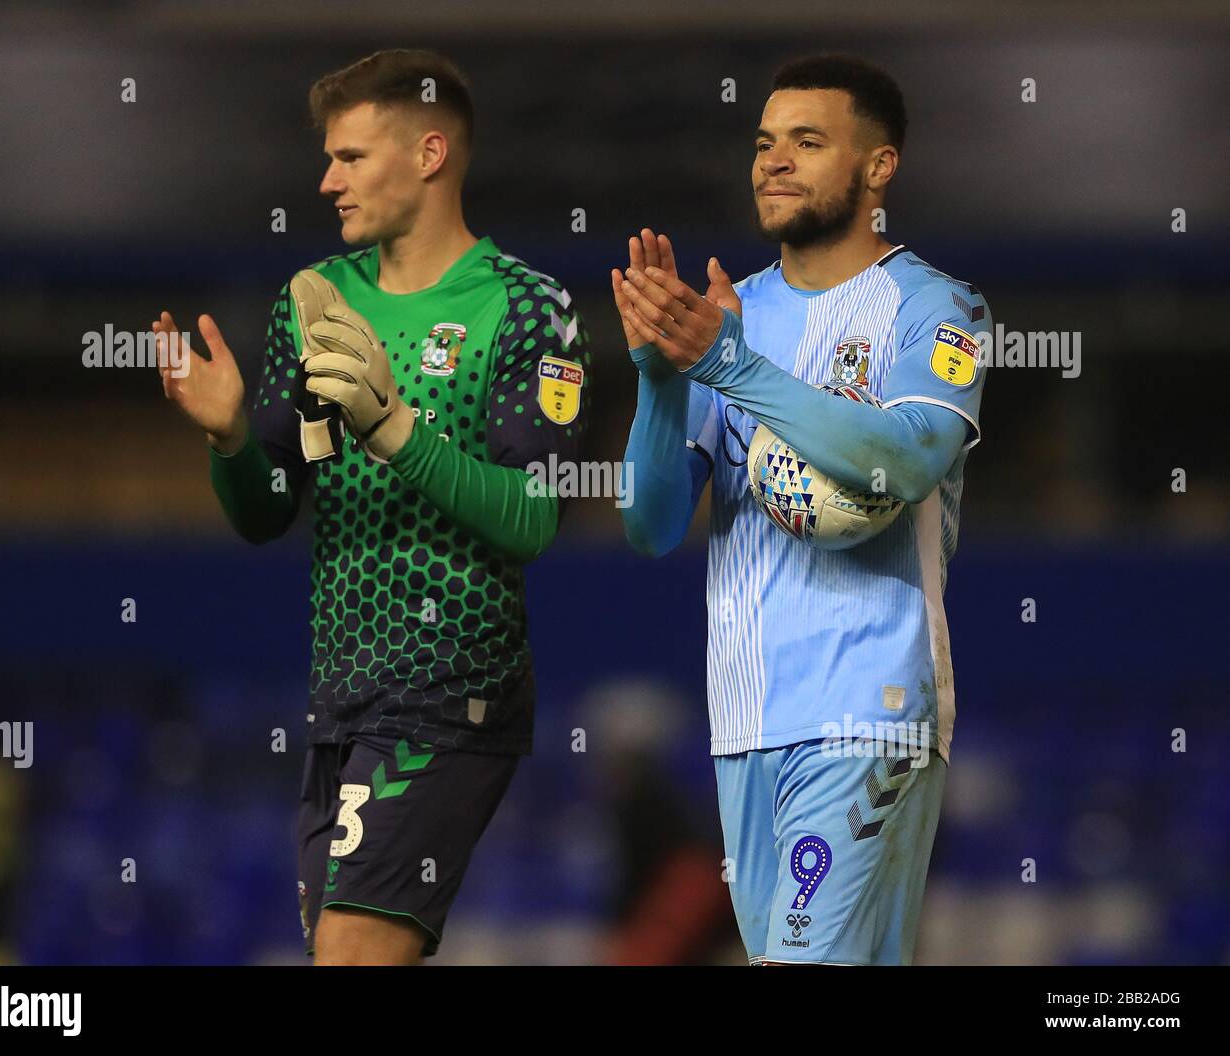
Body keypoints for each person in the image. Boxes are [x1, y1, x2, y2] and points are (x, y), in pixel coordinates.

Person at [154, 48, 589, 965]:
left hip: (453, 693)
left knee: (350, 954)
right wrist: (230, 438)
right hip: (338, 704)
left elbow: (535, 517)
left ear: (429, 154)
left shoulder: (525, 309)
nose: (327, 180)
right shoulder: (313, 303)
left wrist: (394, 427)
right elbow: (269, 510)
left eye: (350, 157)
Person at [615, 54, 990, 965]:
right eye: (764, 143)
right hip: (746, 718)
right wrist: (661, 379)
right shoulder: (729, 313)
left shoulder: (938, 308)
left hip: (871, 702)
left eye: (808, 142)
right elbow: (652, 524)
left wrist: (730, 365)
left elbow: (903, 459)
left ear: (878, 166)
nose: (772, 163)